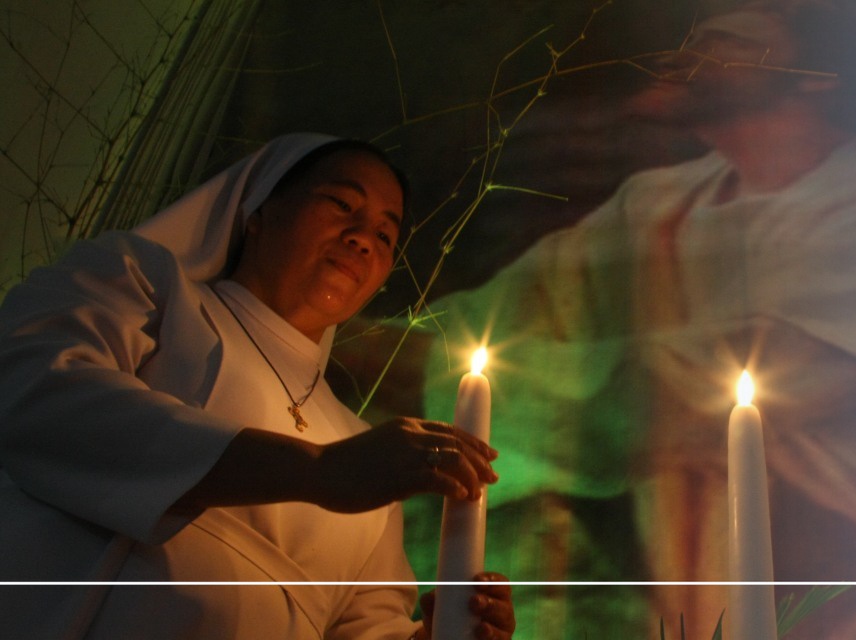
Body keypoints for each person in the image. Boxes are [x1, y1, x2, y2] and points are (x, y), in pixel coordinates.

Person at [388, 2, 856, 637]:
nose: (686, 52)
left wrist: (412, 376)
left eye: (722, 38)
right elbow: (502, 316)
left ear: (817, 72)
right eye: (689, 35)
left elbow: (677, 391)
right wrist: (368, 351)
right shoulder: (663, 203)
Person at [0, 133, 516, 639]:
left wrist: (441, 631)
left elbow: (362, 627)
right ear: (258, 212)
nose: (362, 237)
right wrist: (317, 471)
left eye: (385, 235)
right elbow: (39, 393)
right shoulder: (149, 286)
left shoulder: (364, 451)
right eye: (341, 204)